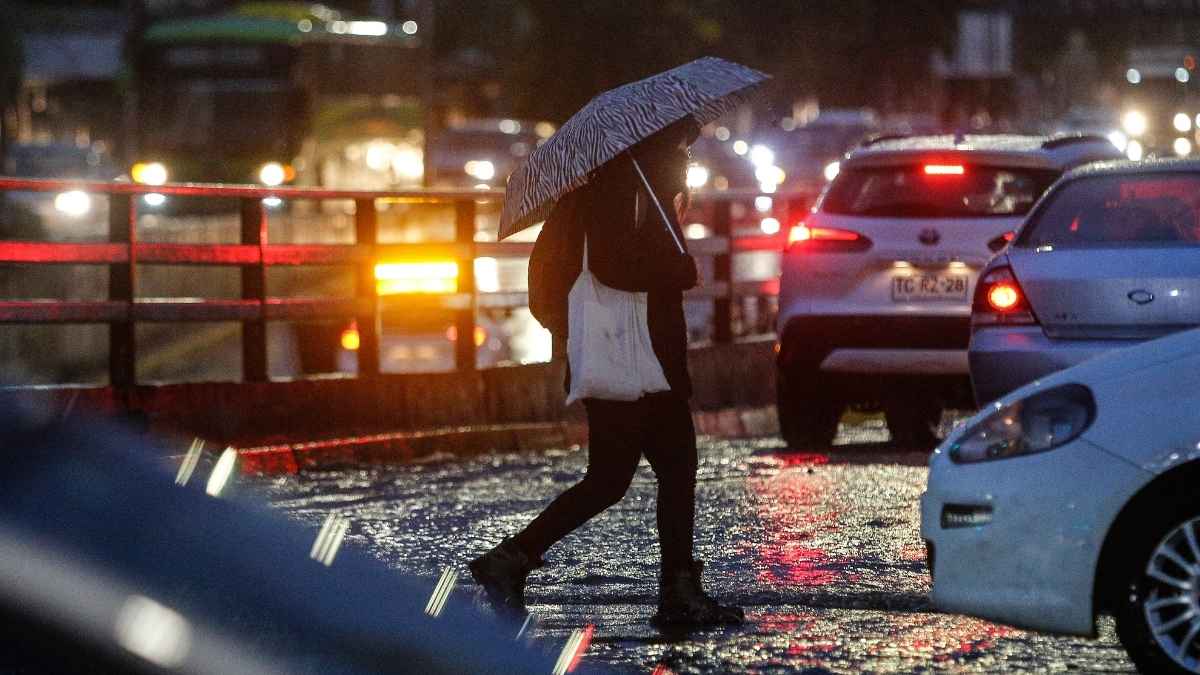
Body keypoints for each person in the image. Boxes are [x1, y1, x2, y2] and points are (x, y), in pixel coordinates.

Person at [469, 118, 744, 626]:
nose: (687, 157)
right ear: (657, 145)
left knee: (646, 472)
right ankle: (512, 560)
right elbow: (616, 266)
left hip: (636, 355)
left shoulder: (633, 185)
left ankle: (673, 589)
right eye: (682, 146)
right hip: (632, 356)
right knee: (633, 474)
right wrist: (680, 268)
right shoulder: (625, 187)